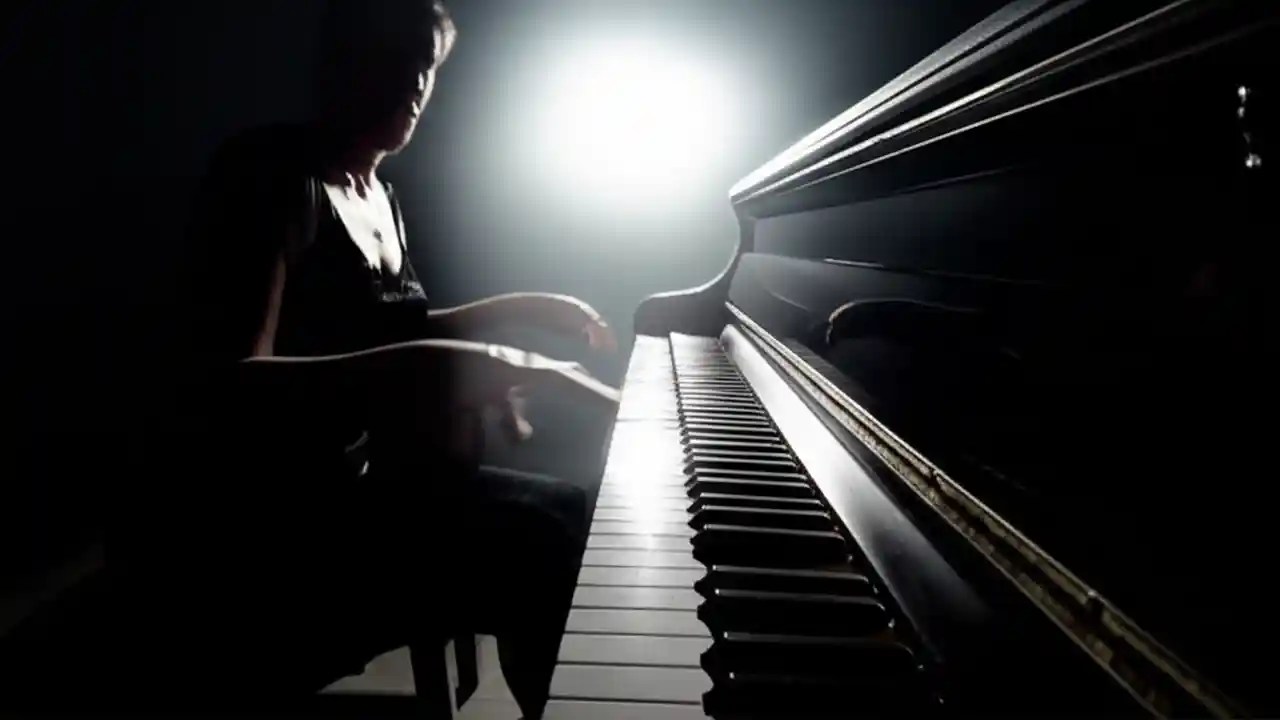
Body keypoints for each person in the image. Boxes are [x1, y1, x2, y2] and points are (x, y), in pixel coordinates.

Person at [141, 1, 620, 716]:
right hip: (280, 520)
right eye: (393, 60)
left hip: (382, 478)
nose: (414, 85)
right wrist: (448, 364)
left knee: (568, 506)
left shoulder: (381, 194)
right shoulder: (269, 175)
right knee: (540, 543)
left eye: (425, 68)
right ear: (338, 64)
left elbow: (398, 325)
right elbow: (227, 384)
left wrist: (524, 310)